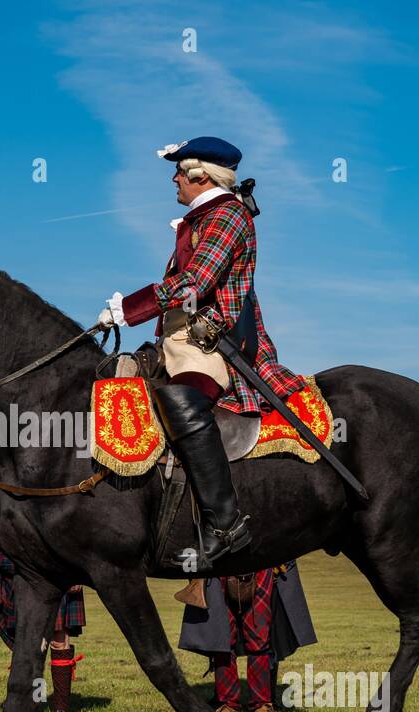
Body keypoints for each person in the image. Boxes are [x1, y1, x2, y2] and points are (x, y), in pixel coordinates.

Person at [98, 136, 303, 569]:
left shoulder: (228, 215)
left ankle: (226, 524)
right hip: (175, 341)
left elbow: (196, 283)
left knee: (182, 401)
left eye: (178, 172)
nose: (173, 179)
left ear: (200, 176)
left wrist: (127, 309)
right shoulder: (201, 218)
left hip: (209, 345)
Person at [0, 507, 86, 712]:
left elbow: (78, 517)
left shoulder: (62, 476)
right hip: (13, 567)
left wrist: (78, 565)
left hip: (56, 565)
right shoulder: (11, 475)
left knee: (58, 639)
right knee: (27, 643)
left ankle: (60, 708)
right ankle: (35, 701)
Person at [179, 574, 277, 712]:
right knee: (223, 637)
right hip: (219, 569)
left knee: (259, 637)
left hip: (259, 564)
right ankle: (227, 703)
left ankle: (262, 704)